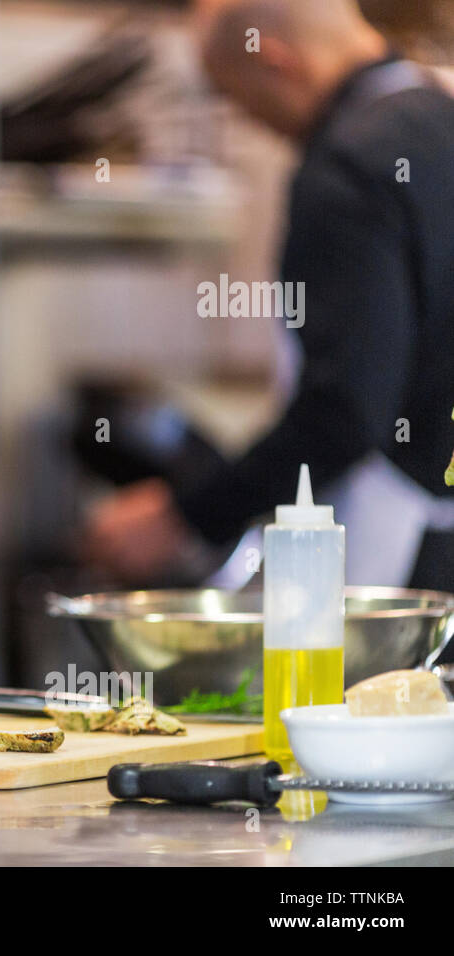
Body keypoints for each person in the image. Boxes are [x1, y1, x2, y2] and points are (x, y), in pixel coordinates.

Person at [83, 0, 454, 591]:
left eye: (235, 95)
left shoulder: (347, 168)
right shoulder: (441, 116)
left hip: (401, 559)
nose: (246, 117)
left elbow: (346, 410)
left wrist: (189, 514)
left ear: (278, 62)